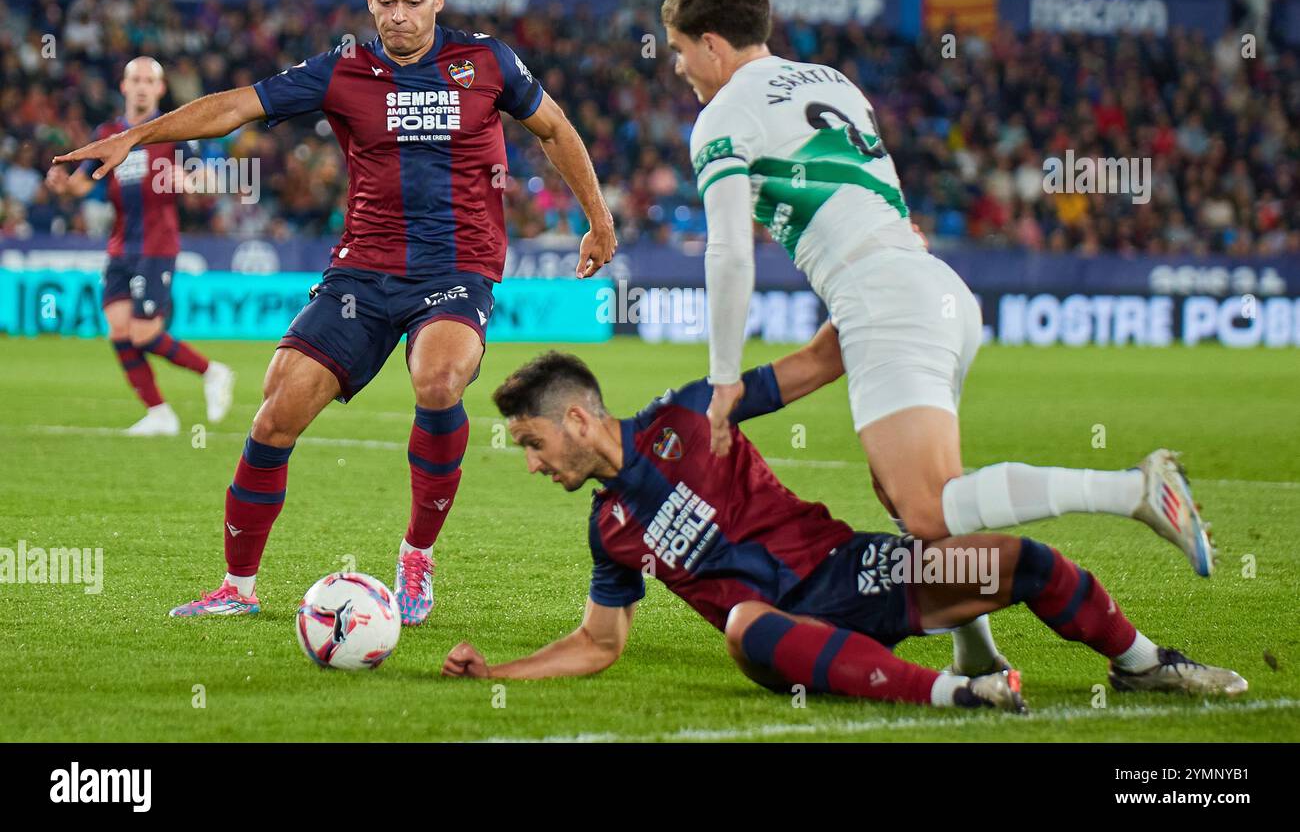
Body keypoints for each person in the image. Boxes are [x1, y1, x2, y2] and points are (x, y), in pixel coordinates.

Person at [54, 0, 617, 625]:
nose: (401, 15)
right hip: (362, 270)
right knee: (275, 412)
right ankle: (236, 586)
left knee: (439, 381)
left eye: (415, 0)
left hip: (455, 267)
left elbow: (555, 129)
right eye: (387, 1)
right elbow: (236, 105)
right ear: (369, 1)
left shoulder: (486, 62)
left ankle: (416, 554)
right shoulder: (341, 69)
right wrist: (138, 137)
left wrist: (598, 218)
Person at [660, 0, 1213, 584]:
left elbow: (730, 251)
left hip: (886, 301)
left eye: (680, 49)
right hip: (930, 287)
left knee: (926, 504)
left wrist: (726, 376)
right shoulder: (834, 82)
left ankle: (1134, 490)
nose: (678, 66)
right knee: (905, 498)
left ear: (711, 42)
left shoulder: (723, 115)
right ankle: (975, 661)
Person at [440, 348, 1247, 711]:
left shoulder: (692, 412)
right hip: (777, 634)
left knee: (1027, 565)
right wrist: (499, 674)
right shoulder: (608, 529)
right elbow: (600, 644)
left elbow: (822, 360)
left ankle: (1143, 665)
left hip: (852, 572)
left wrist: (877, 270)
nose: (533, 464)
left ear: (576, 419)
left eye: (532, 442)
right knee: (744, 625)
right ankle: (959, 694)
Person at [45, 56, 234, 436]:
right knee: (118, 330)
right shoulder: (111, 132)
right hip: (120, 246)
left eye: (150, 80)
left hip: (158, 244)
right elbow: (84, 184)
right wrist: (63, 185)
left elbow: (206, 177)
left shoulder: (173, 131)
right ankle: (159, 413)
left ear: (161, 89)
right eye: (137, 79)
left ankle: (212, 372)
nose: (143, 86)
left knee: (144, 334)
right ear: (125, 86)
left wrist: (193, 181)